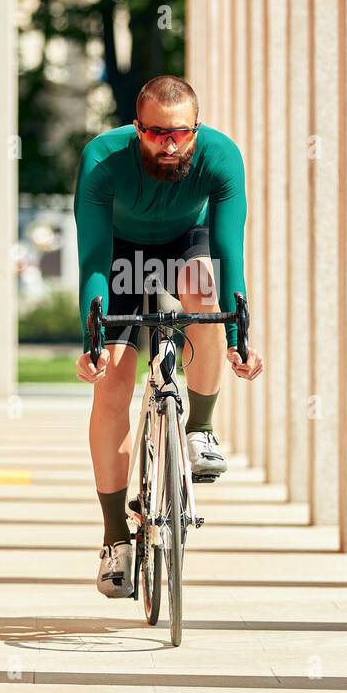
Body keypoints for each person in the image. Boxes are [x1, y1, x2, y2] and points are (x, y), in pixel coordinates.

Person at [73, 74, 264, 598]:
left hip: (186, 247)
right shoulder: (102, 158)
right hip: (119, 255)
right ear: (137, 128)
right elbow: (92, 256)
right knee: (111, 383)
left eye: (179, 133)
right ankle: (116, 539)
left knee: (204, 292)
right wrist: (92, 338)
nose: (169, 144)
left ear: (196, 130)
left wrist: (238, 334)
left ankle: (199, 428)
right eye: (156, 133)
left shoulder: (221, 156)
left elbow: (229, 252)